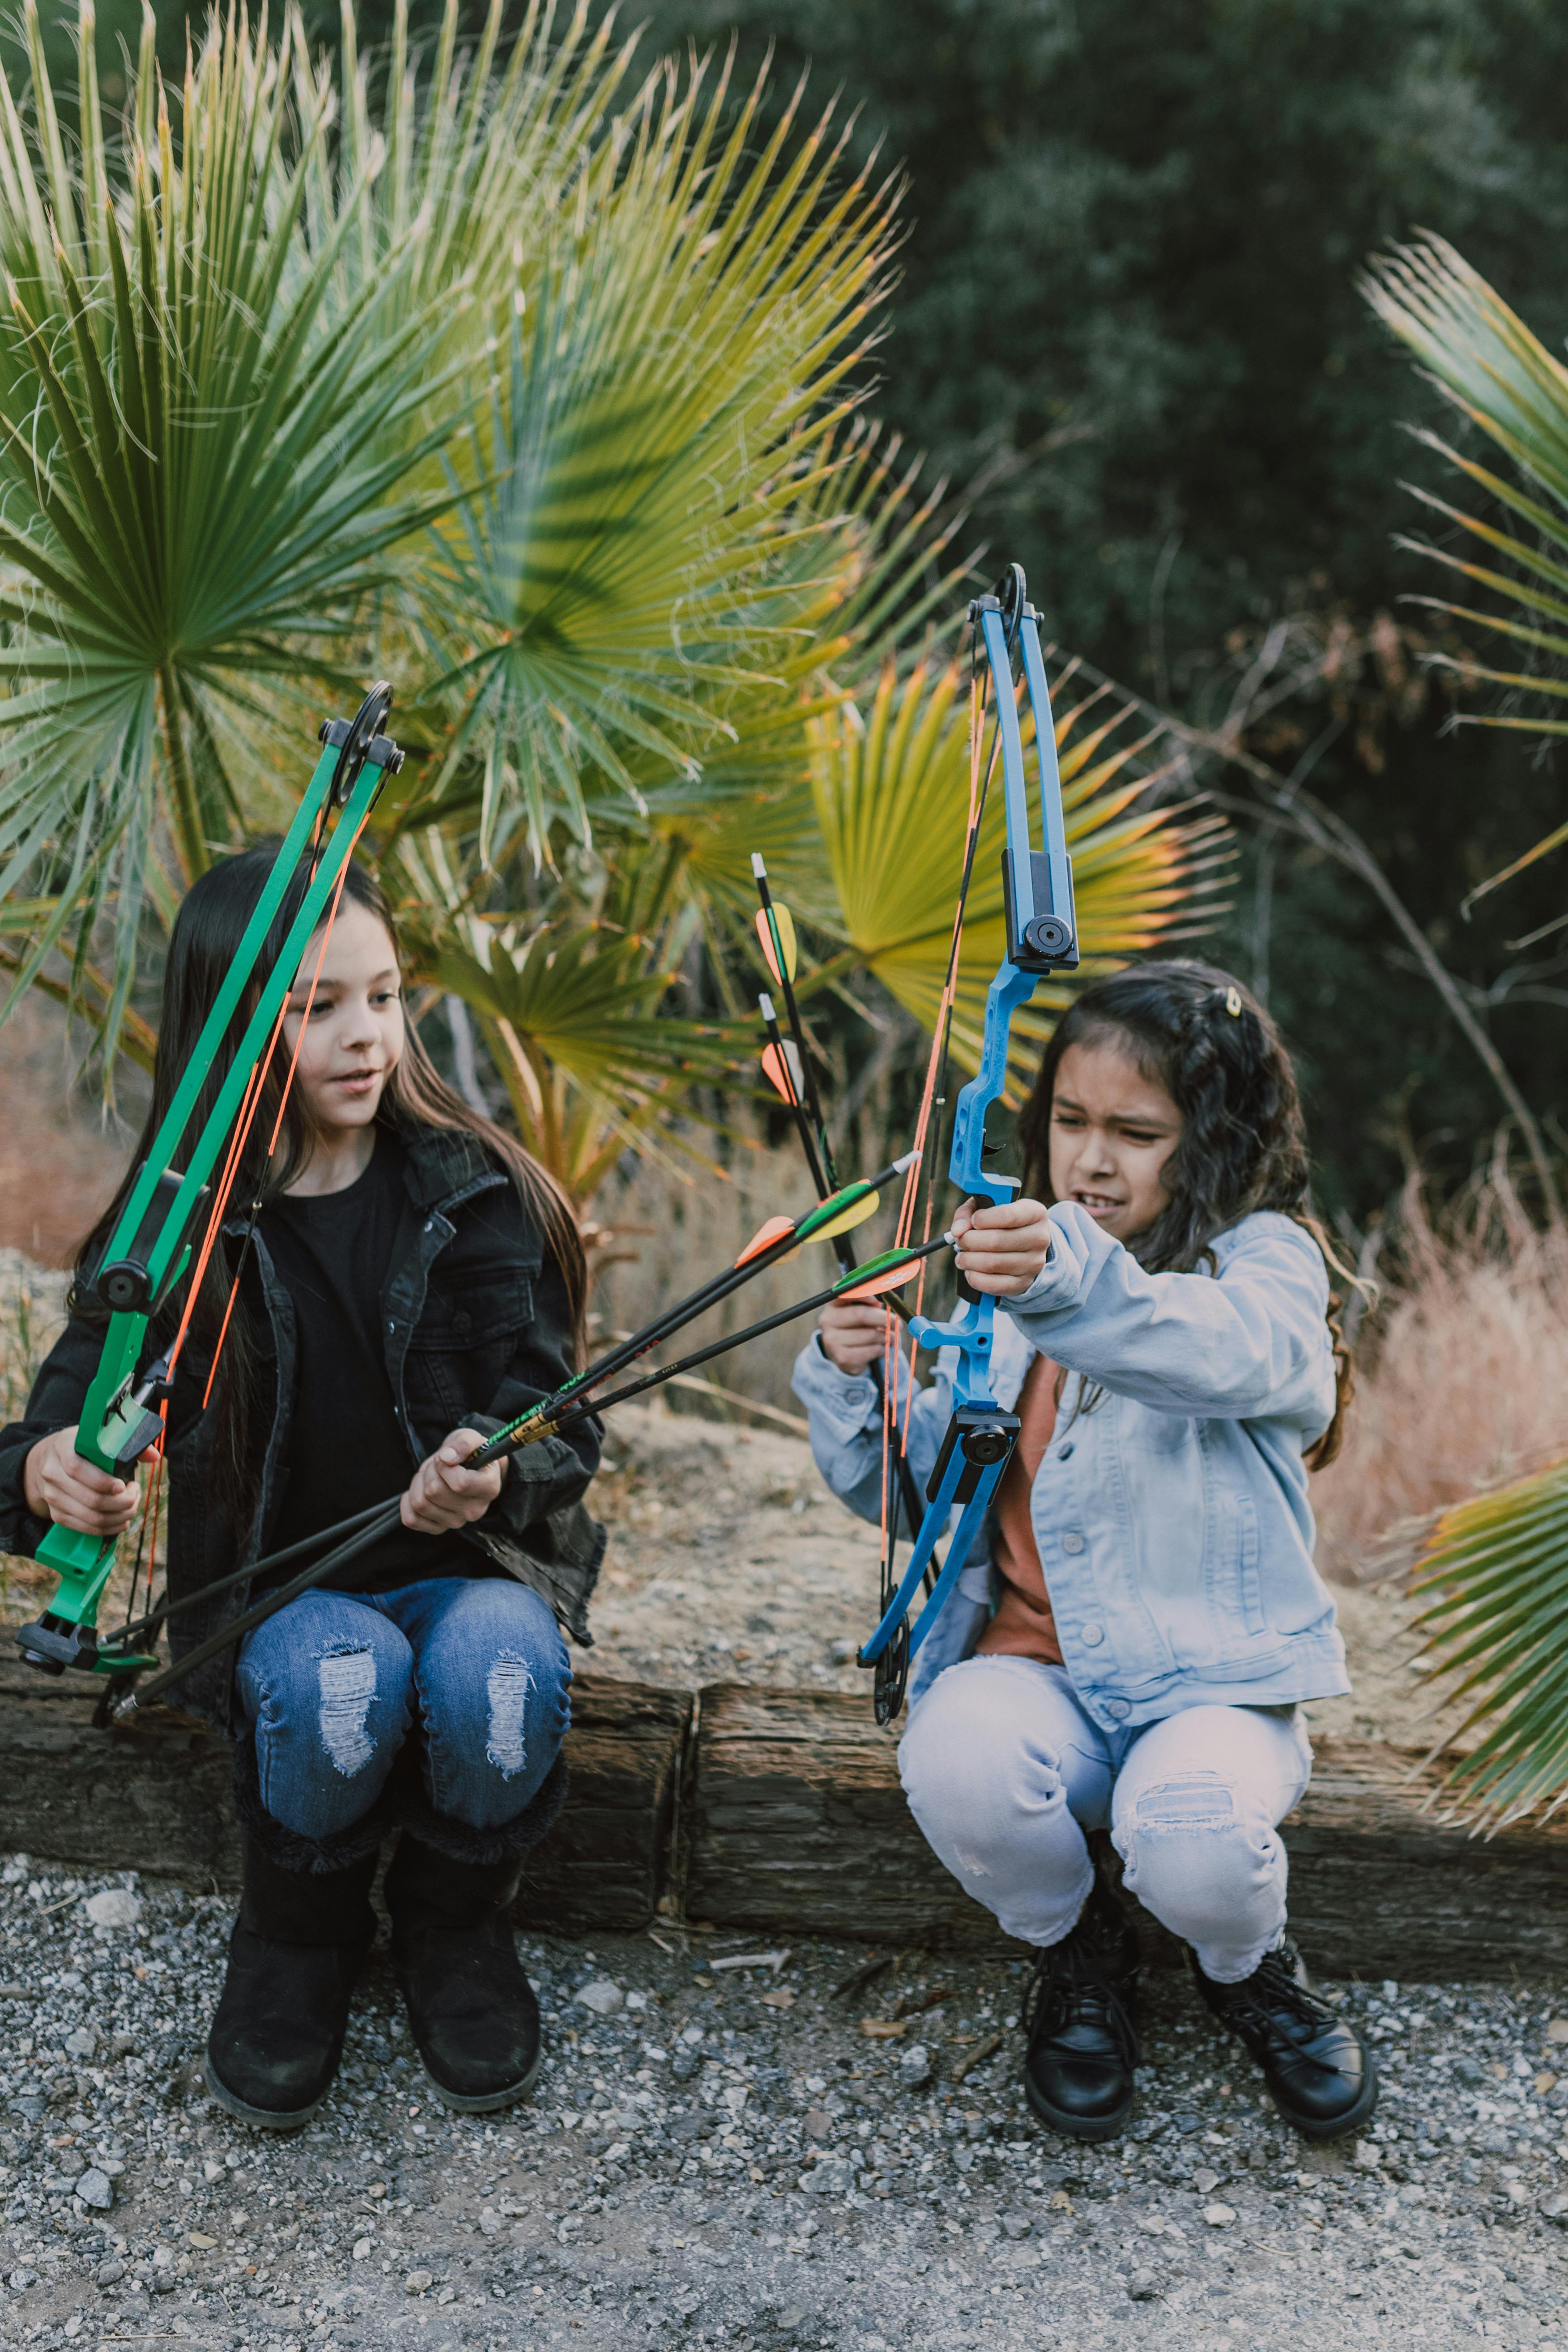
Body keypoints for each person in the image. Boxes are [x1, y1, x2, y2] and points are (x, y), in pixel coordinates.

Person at [0, 852, 603, 2131]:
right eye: (315, 1005)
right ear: (229, 1025)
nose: (364, 1036)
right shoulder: (174, 1230)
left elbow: (561, 1427)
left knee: (502, 1670)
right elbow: (51, 1435)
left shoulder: (481, 1191)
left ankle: (454, 1926)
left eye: (382, 998)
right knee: (342, 1679)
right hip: (286, 1603)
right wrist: (56, 1475)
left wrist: (492, 1467)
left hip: (473, 1574)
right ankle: (302, 1933)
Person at [792, 960, 1376, 2145]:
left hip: (1206, 1686)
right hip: (1034, 1671)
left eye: (1137, 1131)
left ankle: (1243, 1968)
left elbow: (1217, 1351)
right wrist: (864, 1374)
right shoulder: (1016, 1267)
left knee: (1200, 1843)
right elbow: (914, 1499)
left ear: (1207, 1138)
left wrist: (1062, 1281)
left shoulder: (1260, 1266)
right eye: (1070, 1121)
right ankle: (1082, 1953)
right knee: (956, 1763)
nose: (1093, 1160)